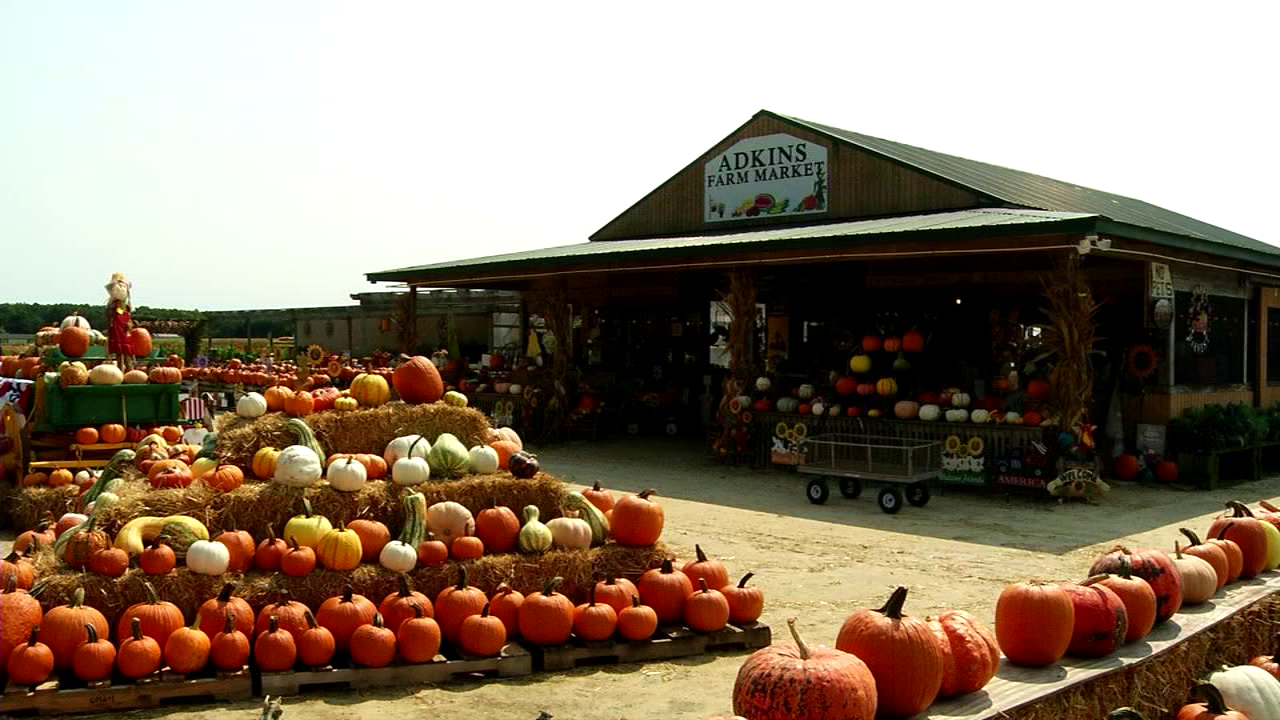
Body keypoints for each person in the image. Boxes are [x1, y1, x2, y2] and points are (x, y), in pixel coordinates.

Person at [105, 272, 134, 369]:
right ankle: (123, 369)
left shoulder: (122, 306)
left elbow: (123, 316)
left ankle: (128, 369)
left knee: (124, 351)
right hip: (117, 328)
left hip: (122, 329)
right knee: (120, 352)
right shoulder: (115, 305)